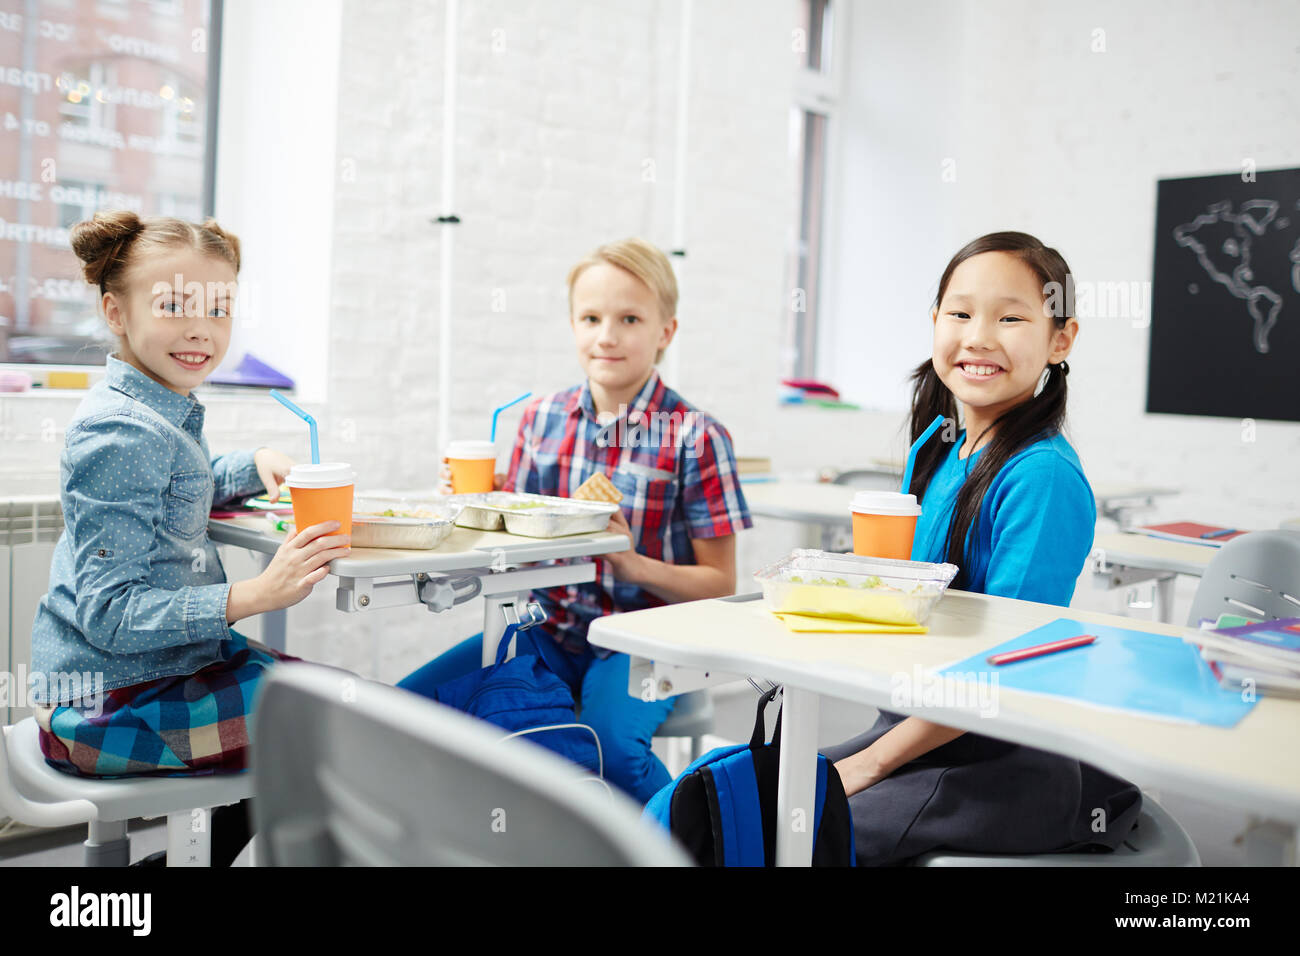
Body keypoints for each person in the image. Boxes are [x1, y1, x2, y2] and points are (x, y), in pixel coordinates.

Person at [30, 211, 350, 865]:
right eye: (174, 305)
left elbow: (174, 492)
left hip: (149, 676)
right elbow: (111, 614)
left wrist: (249, 465)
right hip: (107, 704)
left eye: (219, 308)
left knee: (340, 707)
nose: (201, 327)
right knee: (348, 727)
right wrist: (256, 595)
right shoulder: (122, 431)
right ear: (116, 312)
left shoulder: (156, 409)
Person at [822, 231, 1142, 865]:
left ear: (1061, 339)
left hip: (1000, 759)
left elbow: (1005, 671)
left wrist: (869, 765)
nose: (979, 335)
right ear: (934, 322)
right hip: (918, 732)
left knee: (803, 829)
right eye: (960, 313)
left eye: (1011, 317)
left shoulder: (1041, 477)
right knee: (733, 790)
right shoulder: (935, 448)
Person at [400, 238, 752, 803]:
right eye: (590, 318)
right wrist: (479, 503)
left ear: (666, 332)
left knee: (613, 749)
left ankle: (694, 844)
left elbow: (721, 585)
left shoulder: (697, 437)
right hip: (550, 630)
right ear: (572, 324)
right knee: (405, 709)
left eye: (629, 318)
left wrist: (631, 562)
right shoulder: (542, 419)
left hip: (643, 637)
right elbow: (514, 537)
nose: (606, 336)